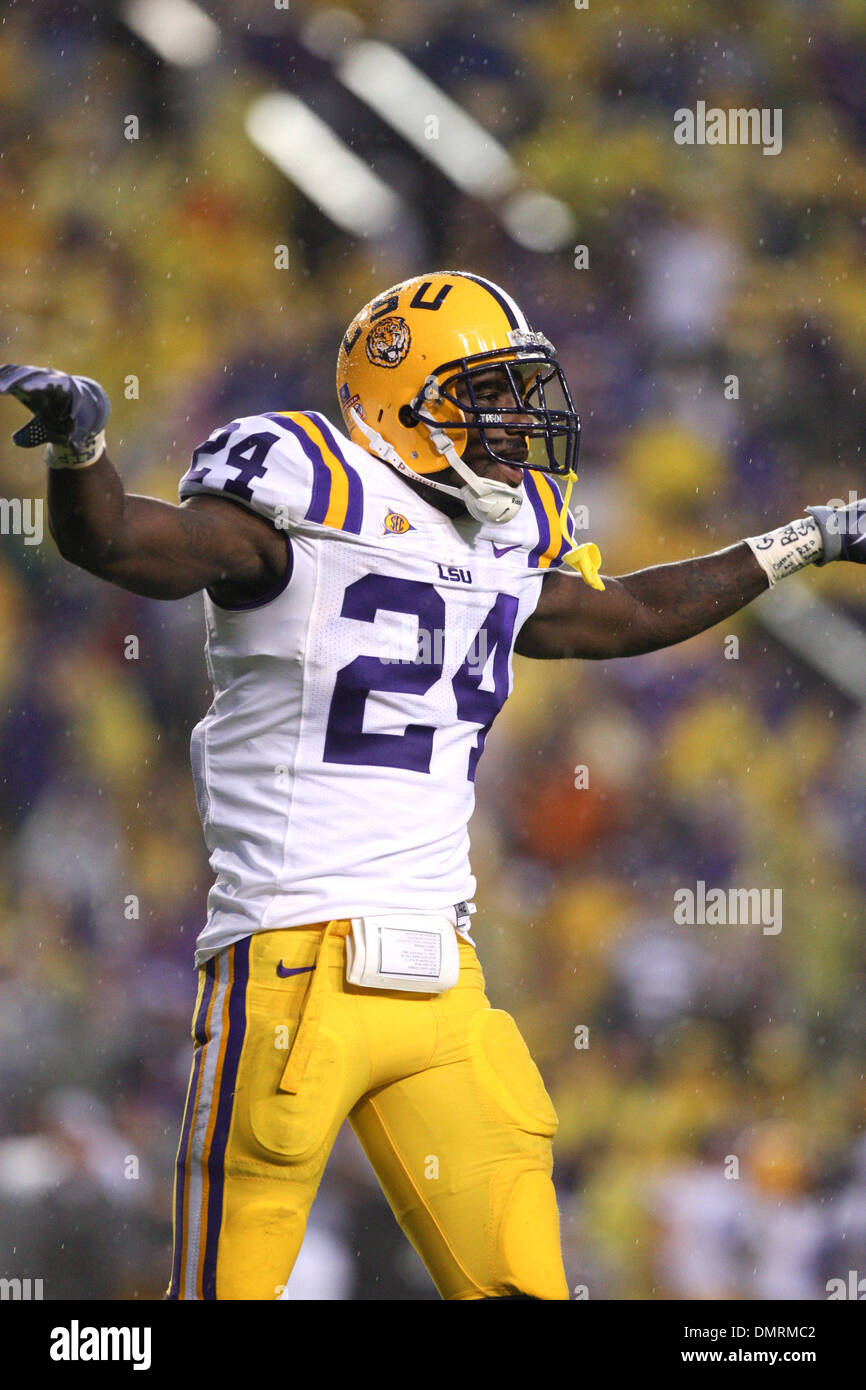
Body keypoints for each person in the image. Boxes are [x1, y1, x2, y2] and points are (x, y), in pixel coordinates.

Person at [2, 270, 862, 1301]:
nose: (514, 422)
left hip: (440, 981)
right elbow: (123, 541)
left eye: (517, 394)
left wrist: (801, 538)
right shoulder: (301, 490)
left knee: (521, 1282)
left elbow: (623, 615)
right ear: (403, 400)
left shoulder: (498, 537)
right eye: (487, 395)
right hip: (291, 961)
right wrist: (80, 452)